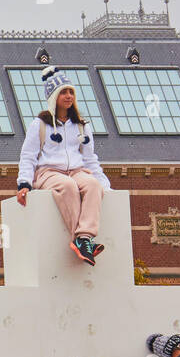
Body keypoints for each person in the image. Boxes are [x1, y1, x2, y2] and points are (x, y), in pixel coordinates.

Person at [16, 66, 112, 265]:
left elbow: (90, 158)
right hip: (48, 172)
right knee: (67, 187)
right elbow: (28, 156)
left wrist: (105, 184)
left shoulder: (82, 126)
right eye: (64, 92)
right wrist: (24, 183)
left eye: (71, 92)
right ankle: (81, 240)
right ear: (53, 96)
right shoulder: (39, 125)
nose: (69, 96)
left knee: (93, 186)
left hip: (77, 170)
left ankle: (84, 237)